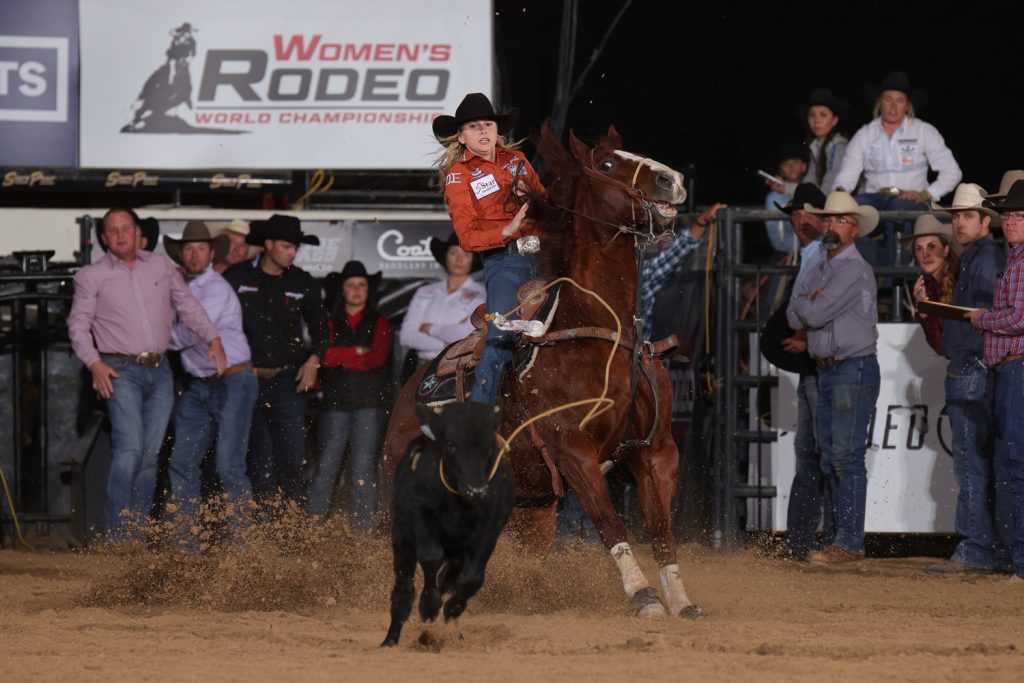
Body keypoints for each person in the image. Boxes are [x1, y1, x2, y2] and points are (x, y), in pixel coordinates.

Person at [68, 208, 226, 537]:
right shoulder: (91, 276)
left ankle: (135, 536)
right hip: (119, 369)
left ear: (138, 233)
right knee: (130, 448)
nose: (121, 234)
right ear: (103, 238)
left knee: (150, 455)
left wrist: (212, 336)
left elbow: (187, 305)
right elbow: (78, 326)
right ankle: (116, 536)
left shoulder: (160, 266)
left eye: (126, 228)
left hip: (161, 369)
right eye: (113, 230)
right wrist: (94, 363)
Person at [432, 92, 546, 404]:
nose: (483, 131)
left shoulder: (518, 161)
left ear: (497, 130)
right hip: (504, 262)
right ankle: (480, 414)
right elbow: (467, 238)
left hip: (544, 257)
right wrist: (506, 230)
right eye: (474, 126)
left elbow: (548, 205)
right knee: (501, 335)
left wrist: (535, 200)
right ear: (461, 135)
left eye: (488, 124)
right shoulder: (459, 175)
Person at [787, 191, 881, 567]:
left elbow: (809, 312)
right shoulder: (823, 267)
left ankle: (850, 542)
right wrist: (809, 305)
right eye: (827, 220)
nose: (830, 226)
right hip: (833, 369)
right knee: (833, 457)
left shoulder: (853, 270)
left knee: (843, 457)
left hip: (849, 367)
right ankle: (843, 539)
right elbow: (794, 314)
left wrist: (809, 304)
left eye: (839, 221)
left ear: (854, 230)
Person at [923, 182, 1008, 574]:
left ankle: (977, 548)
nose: (958, 222)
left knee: (972, 462)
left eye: (966, 215)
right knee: (977, 461)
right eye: (956, 216)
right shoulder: (978, 257)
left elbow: (989, 314)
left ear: (985, 221)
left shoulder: (985, 258)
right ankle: (985, 546)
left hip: (973, 367)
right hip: (972, 365)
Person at [162, 221, 257, 544]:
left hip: (233, 379)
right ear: (181, 254)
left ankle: (243, 548)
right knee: (182, 462)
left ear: (211, 253)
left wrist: (153, 338)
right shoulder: (180, 289)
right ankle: (183, 544)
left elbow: (194, 331)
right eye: (188, 248)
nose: (194, 254)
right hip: (200, 383)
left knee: (228, 465)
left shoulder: (216, 288)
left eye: (201, 248)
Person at [223, 214, 327, 505]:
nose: (292, 252)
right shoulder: (236, 277)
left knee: (293, 459)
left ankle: (294, 536)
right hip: (245, 380)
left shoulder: (302, 281)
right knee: (259, 461)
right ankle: (264, 537)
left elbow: (320, 326)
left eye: (295, 247)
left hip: (286, 380)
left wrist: (314, 361)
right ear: (268, 244)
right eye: (286, 246)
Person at [832, 71, 962, 270]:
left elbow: (952, 172)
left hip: (909, 200)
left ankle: (890, 276)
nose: (893, 106)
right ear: (880, 102)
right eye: (888, 99)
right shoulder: (865, 134)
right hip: (874, 199)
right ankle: (890, 270)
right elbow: (848, 173)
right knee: (847, 216)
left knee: (899, 210)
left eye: (899, 100)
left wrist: (927, 194)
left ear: (907, 105)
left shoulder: (923, 130)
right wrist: (839, 195)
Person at [767, 183, 829, 560]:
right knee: (812, 452)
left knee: (821, 453)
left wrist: (807, 336)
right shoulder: (810, 253)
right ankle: (802, 540)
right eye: (794, 213)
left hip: (820, 364)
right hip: (814, 366)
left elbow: (822, 302)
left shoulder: (820, 254)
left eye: (805, 213)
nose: (798, 220)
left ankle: (811, 539)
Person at [307, 261, 393, 532]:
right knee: (325, 469)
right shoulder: (328, 322)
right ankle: (311, 528)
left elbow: (377, 359)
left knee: (362, 471)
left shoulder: (380, 322)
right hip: (335, 403)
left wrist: (340, 357)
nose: (356, 290)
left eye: (361, 285)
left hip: (369, 404)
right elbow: (324, 358)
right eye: (351, 285)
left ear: (368, 290)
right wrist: (356, 353)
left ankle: (363, 532)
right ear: (342, 291)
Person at [967, 179, 1024, 582]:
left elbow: (1020, 318)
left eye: (1019, 216)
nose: (1011, 222)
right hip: (1010, 369)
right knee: (1012, 462)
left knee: (1016, 462)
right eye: (1007, 215)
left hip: (1017, 369)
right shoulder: (1013, 259)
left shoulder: (1020, 261)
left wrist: (981, 319)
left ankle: (1020, 561)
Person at [398, 231, 485, 376]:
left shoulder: (482, 294)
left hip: (458, 369)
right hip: (421, 366)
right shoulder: (424, 292)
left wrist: (430, 328)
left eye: (465, 254)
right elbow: (406, 335)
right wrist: (444, 343)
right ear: (445, 257)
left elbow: (468, 335)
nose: (459, 259)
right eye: (453, 253)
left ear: (472, 260)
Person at [640, 203, 726, 341]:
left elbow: (678, 251)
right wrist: (702, 220)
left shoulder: (639, 275)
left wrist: (702, 220)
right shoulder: (639, 276)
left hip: (632, 356)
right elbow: (678, 250)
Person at [904, 214, 960, 355]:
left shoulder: (961, 280)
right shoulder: (929, 289)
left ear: (946, 250)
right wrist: (924, 309)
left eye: (931, 246)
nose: (925, 254)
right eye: (918, 249)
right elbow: (940, 346)